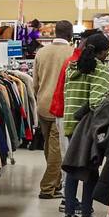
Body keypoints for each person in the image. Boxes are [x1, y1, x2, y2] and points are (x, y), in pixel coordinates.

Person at [61, 31, 109, 217]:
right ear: (103, 52)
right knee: (90, 169)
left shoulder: (71, 67)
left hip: (70, 125)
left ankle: (69, 214)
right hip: (89, 127)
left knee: (73, 167)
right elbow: (96, 102)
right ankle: (86, 216)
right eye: (107, 51)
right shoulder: (100, 70)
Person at [32, 19, 74, 200]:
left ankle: (55, 183)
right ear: (70, 35)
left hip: (42, 104)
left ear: (55, 33)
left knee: (49, 146)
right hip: (61, 106)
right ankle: (47, 187)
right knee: (56, 147)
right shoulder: (73, 53)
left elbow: (35, 81)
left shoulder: (41, 52)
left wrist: (38, 97)